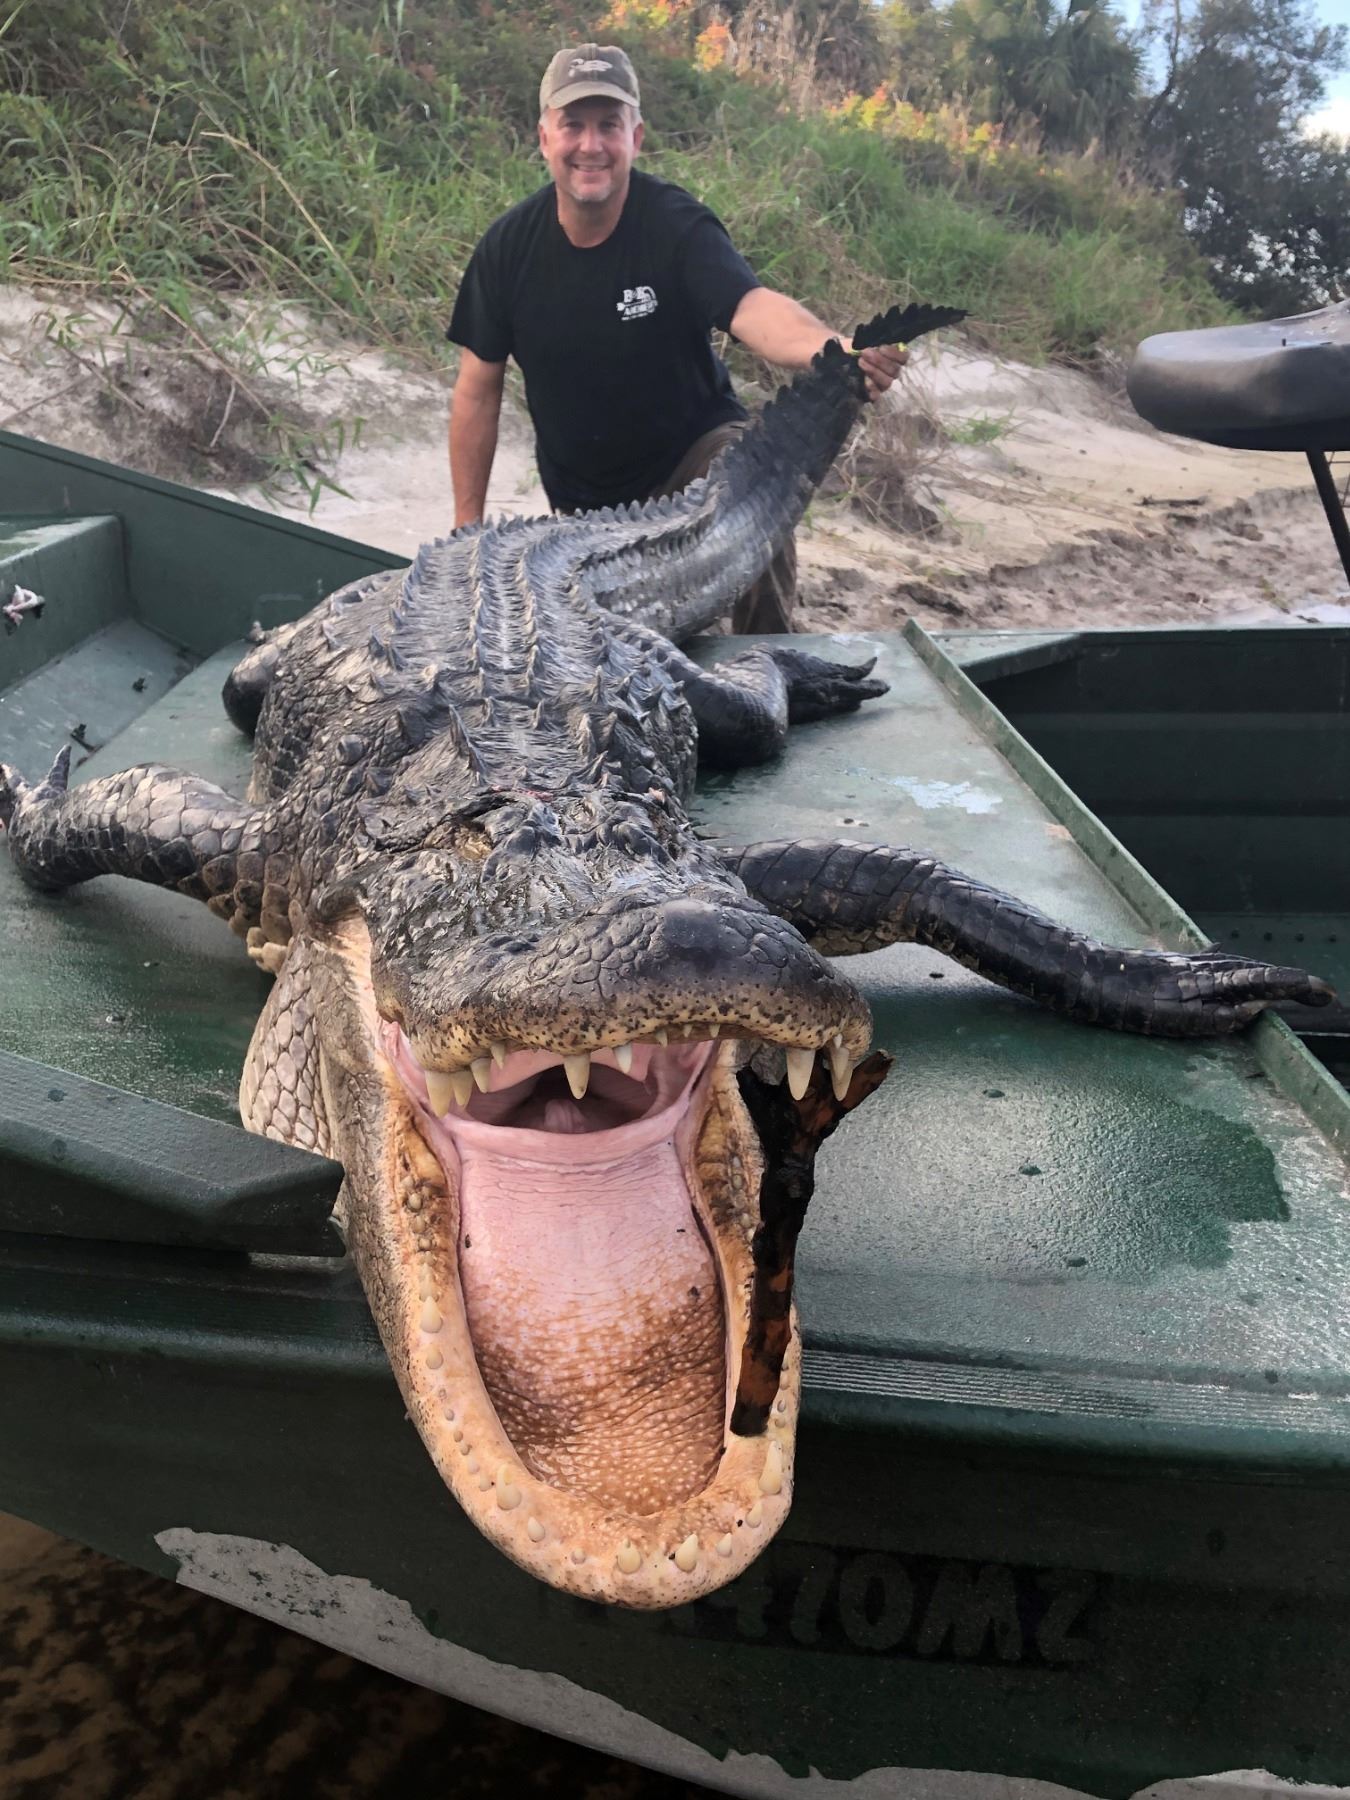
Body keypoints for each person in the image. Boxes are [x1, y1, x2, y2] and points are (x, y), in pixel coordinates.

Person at [447, 43, 906, 633]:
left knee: (747, 490)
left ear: (636, 138)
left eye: (609, 126)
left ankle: (775, 655)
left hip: (692, 456)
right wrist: (466, 534)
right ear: (544, 138)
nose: (590, 145)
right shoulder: (507, 250)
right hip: (585, 504)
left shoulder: (675, 224)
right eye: (573, 126)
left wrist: (837, 350)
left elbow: (753, 308)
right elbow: (476, 394)